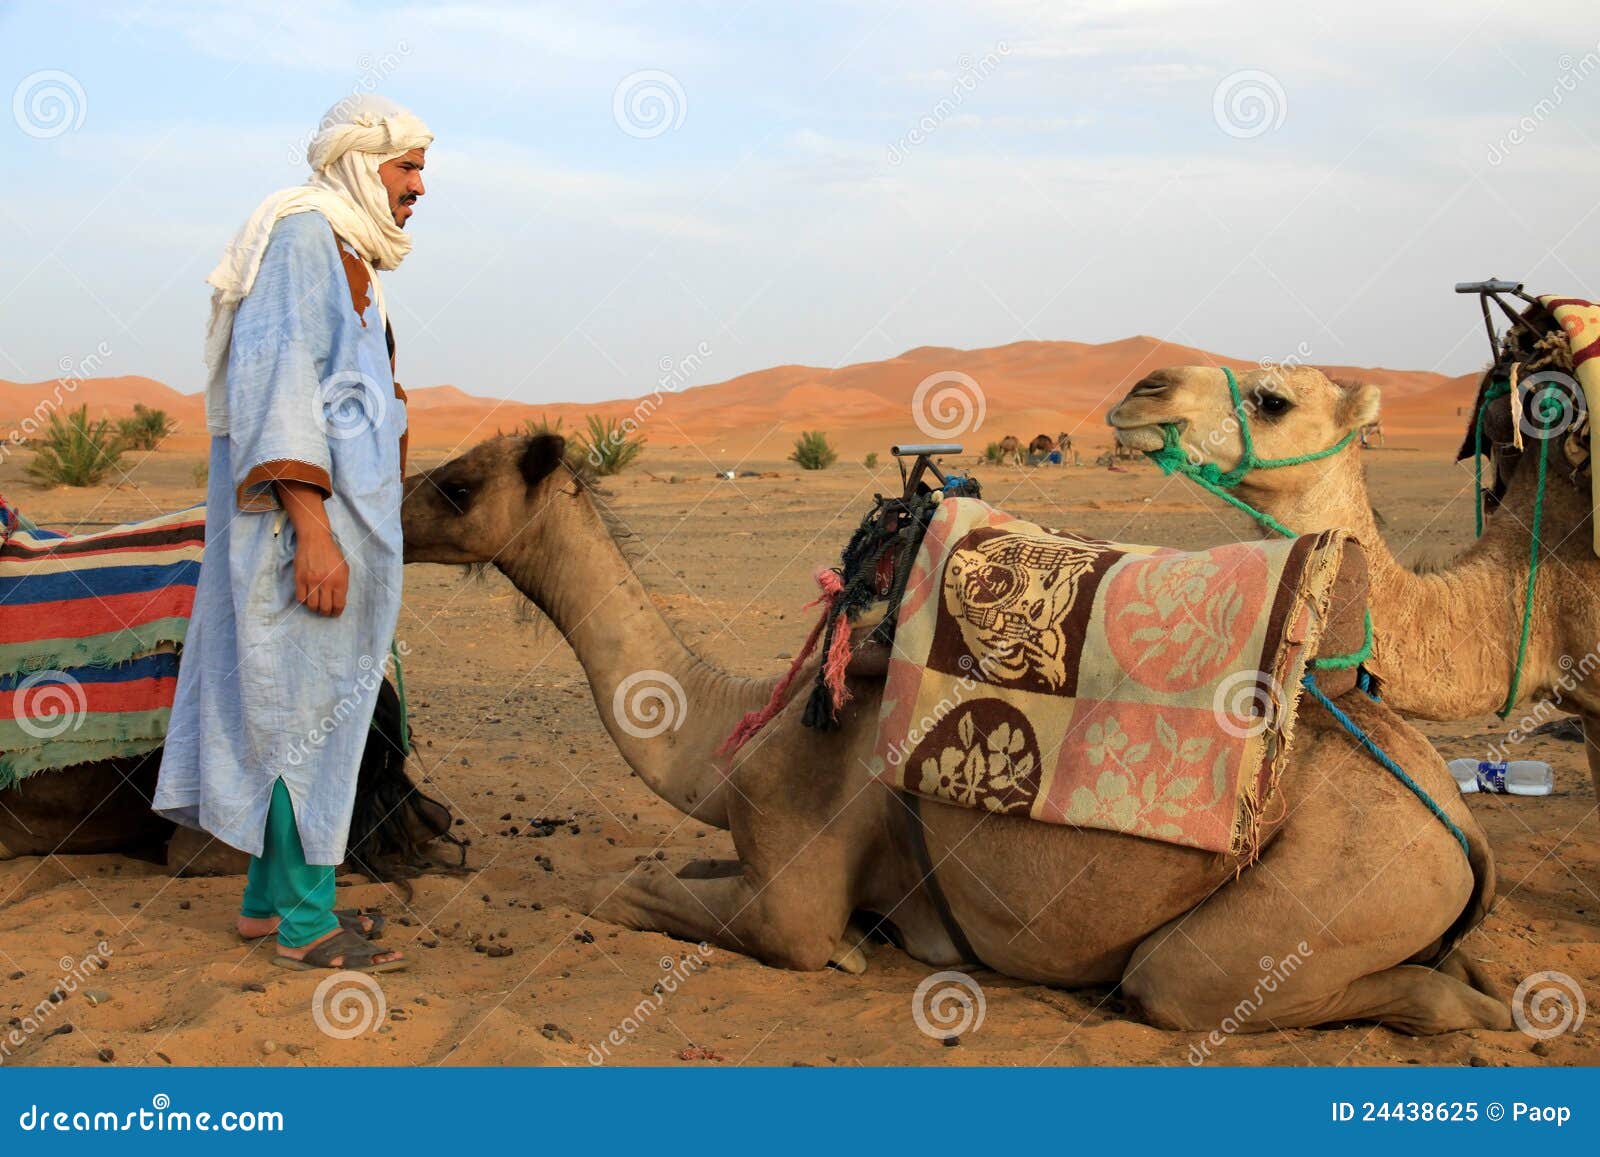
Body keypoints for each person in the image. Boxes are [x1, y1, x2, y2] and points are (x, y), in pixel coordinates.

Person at [153, 95, 431, 973]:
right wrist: (313, 529)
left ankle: (266, 905)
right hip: (297, 531)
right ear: (359, 164)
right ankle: (308, 925)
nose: (420, 187)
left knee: (303, 707)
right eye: (407, 167)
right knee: (299, 716)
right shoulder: (305, 240)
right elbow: (277, 387)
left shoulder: (348, 249)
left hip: (338, 525)